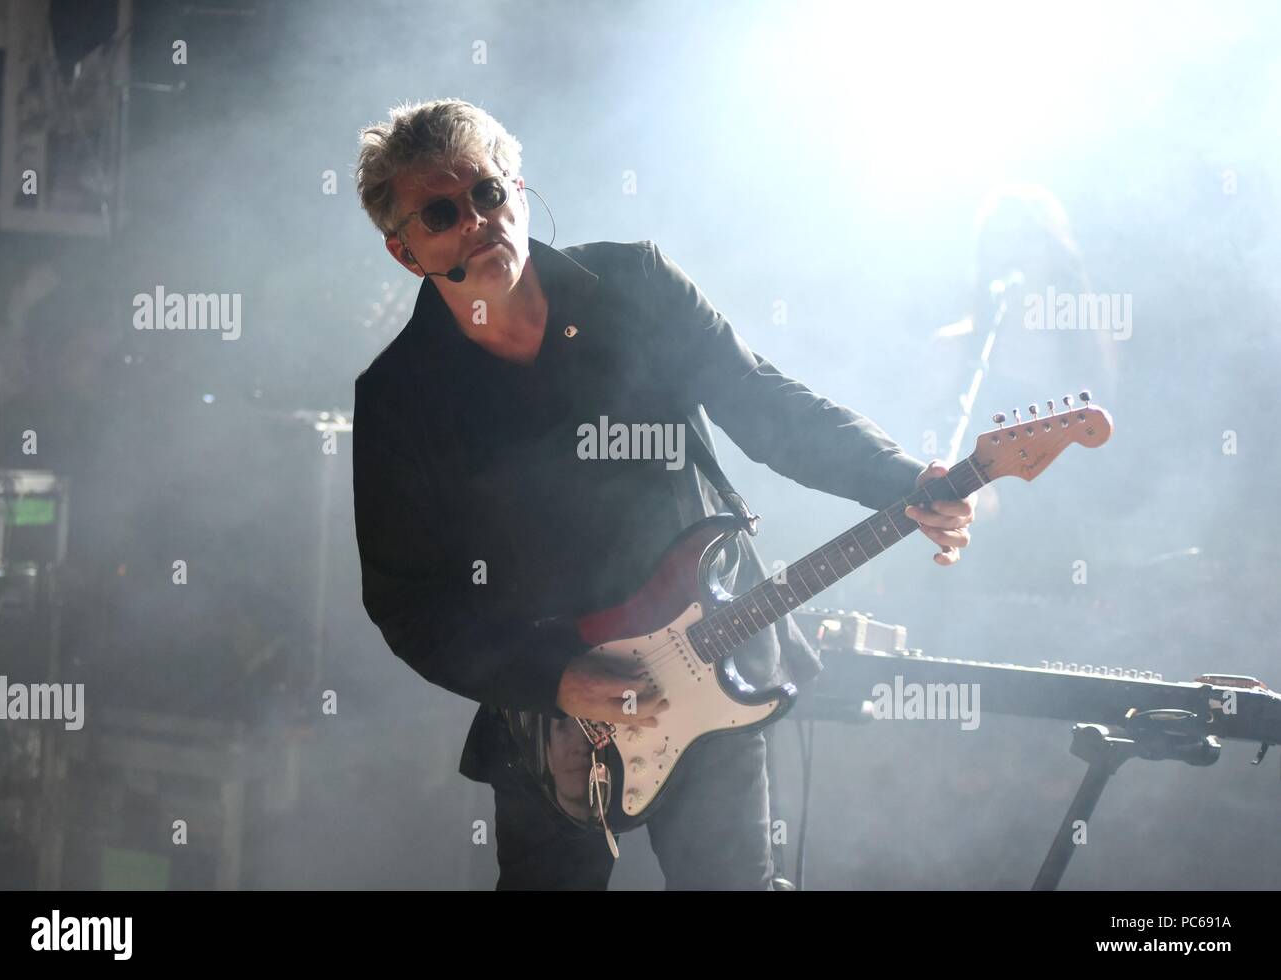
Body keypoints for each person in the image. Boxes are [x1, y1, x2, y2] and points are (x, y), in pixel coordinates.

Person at [351, 98, 975, 889]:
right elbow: (408, 604)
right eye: (442, 213)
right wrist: (552, 678)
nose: (477, 221)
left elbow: (765, 404)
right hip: (550, 718)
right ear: (406, 253)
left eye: (488, 194)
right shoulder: (400, 396)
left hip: (712, 666)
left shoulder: (633, 282)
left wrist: (901, 478)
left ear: (515, 187)